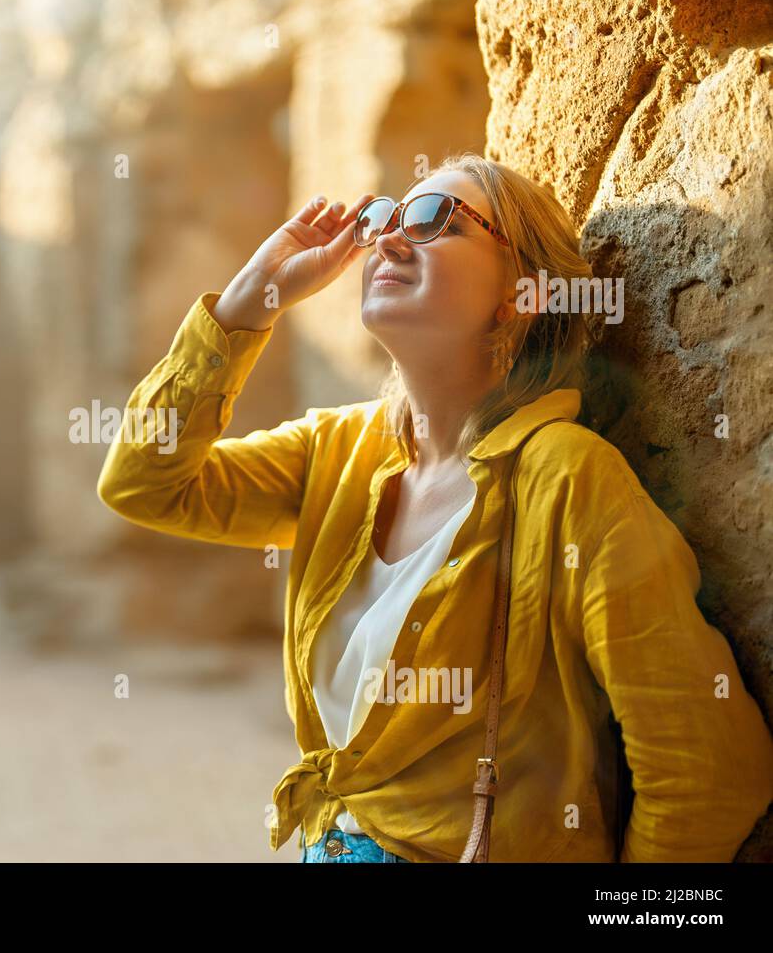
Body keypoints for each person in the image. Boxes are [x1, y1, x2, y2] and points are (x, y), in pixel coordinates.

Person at [96, 152, 773, 862]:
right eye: (383, 218)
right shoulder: (338, 451)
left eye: (431, 219)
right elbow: (143, 481)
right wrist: (250, 297)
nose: (388, 236)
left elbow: (708, 767)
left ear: (523, 292)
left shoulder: (568, 478)